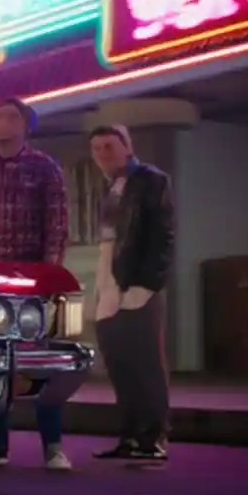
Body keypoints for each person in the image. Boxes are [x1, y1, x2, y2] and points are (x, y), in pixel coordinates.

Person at [0, 97, 73, 470]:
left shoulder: (45, 168)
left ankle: (53, 447)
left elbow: (56, 224)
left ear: (26, 126)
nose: (2, 124)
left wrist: (49, 275)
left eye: (11, 117)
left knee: (43, 363)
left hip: (35, 280)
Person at [88, 124, 174, 462]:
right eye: (97, 149)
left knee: (145, 362)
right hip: (109, 276)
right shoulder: (110, 187)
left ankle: (152, 437)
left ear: (127, 147)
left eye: (109, 146)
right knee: (118, 362)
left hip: (135, 279)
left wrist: (147, 284)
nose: (102, 155)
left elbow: (161, 236)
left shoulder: (152, 181)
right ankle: (129, 434)